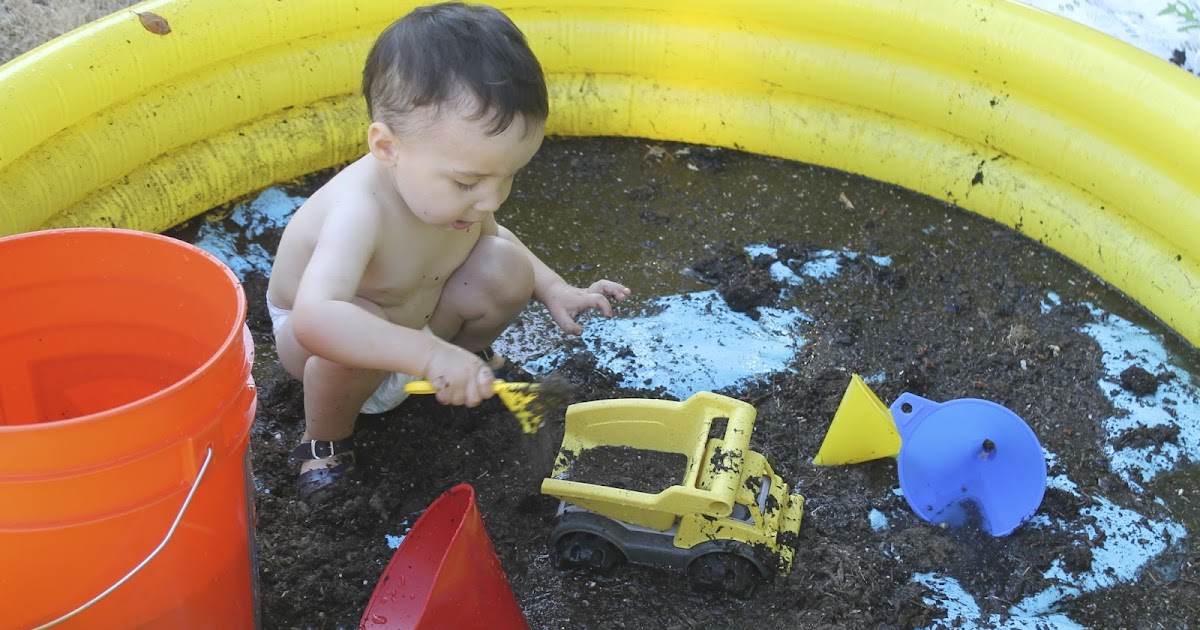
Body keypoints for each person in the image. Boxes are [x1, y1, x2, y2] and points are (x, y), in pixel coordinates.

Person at [265, 1, 630, 499]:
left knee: (505, 266)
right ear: (387, 148)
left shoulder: (452, 197)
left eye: (508, 177)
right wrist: (429, 353)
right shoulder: (358, 209)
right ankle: (323, 443)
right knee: (355, 316)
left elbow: (494, 235)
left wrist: (554, 288)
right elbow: (315, 319)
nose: (490, 199)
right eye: (468, 181)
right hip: (328, 348)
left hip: (415, 328)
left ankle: (462, 370)